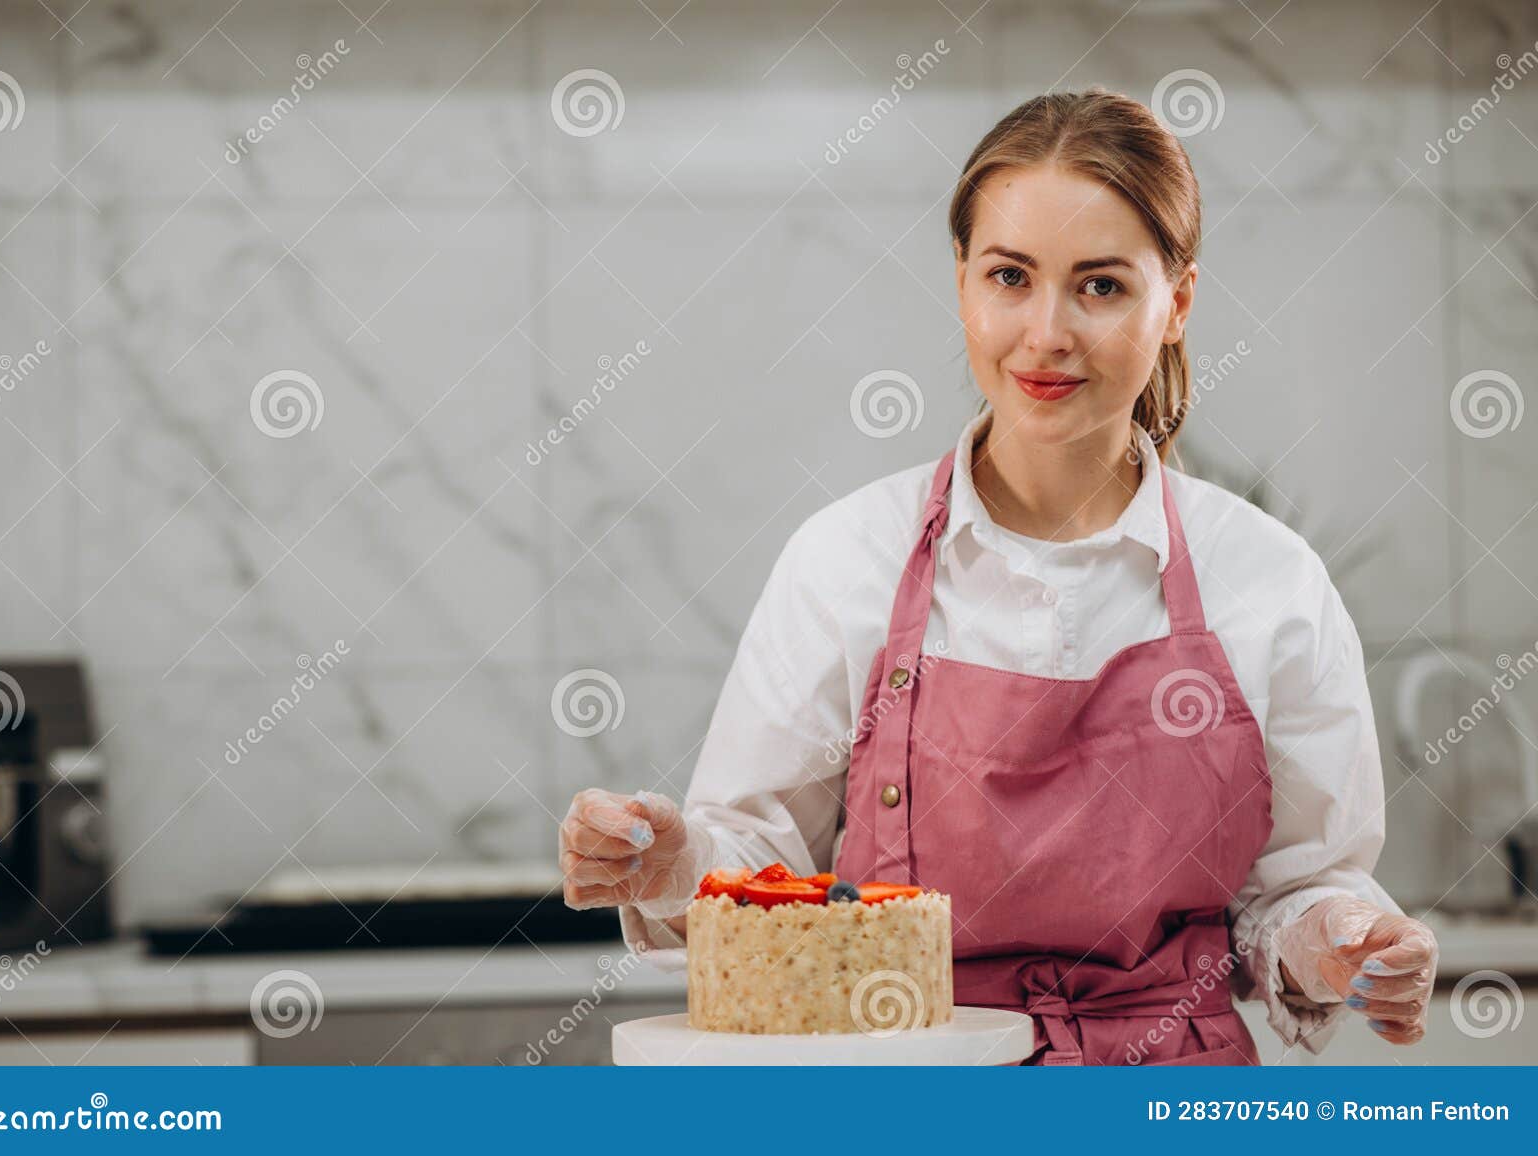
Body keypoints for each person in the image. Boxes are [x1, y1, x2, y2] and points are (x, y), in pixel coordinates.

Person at [558, 89, 1437, 1064]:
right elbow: (764, 871)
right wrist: (676, 865)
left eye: (1100, 286)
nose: (1046, 333)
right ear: (963, 283)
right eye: (1010, 276)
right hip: (902, 1082)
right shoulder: (847, 556)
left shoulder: (1269, 581)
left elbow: (1299, 890)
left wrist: (1343, 942)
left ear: (1178, 302)